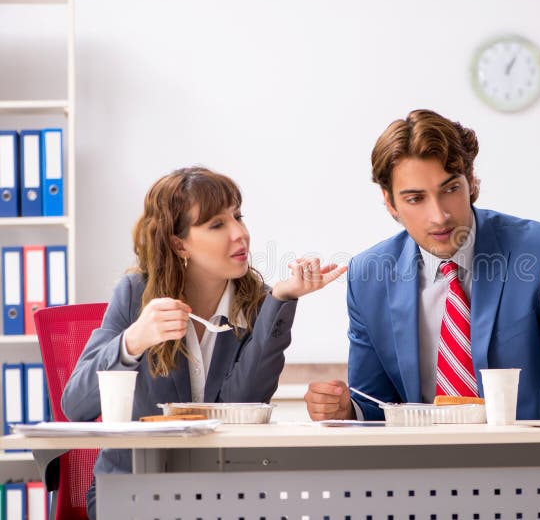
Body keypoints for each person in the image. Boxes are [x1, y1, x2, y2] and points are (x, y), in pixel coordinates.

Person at [62, 166, 346, 518]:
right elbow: (75, 405)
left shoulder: (259, 303)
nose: (240, 233)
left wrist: (282, 298)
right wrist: (133, 340)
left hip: (223, 494)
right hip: (135, 492)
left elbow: (242, 406)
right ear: (178, 243)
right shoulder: (136, 295)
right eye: (217, 225)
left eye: (238, 217)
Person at [304, 109, 540, 421]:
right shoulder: (368, 277)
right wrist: (346, 409)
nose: (439, 215)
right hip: (426, 461)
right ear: (389, 202)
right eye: (416, 199)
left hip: (535, 460)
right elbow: (376, 404)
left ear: (470, 181)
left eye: (450, 189)